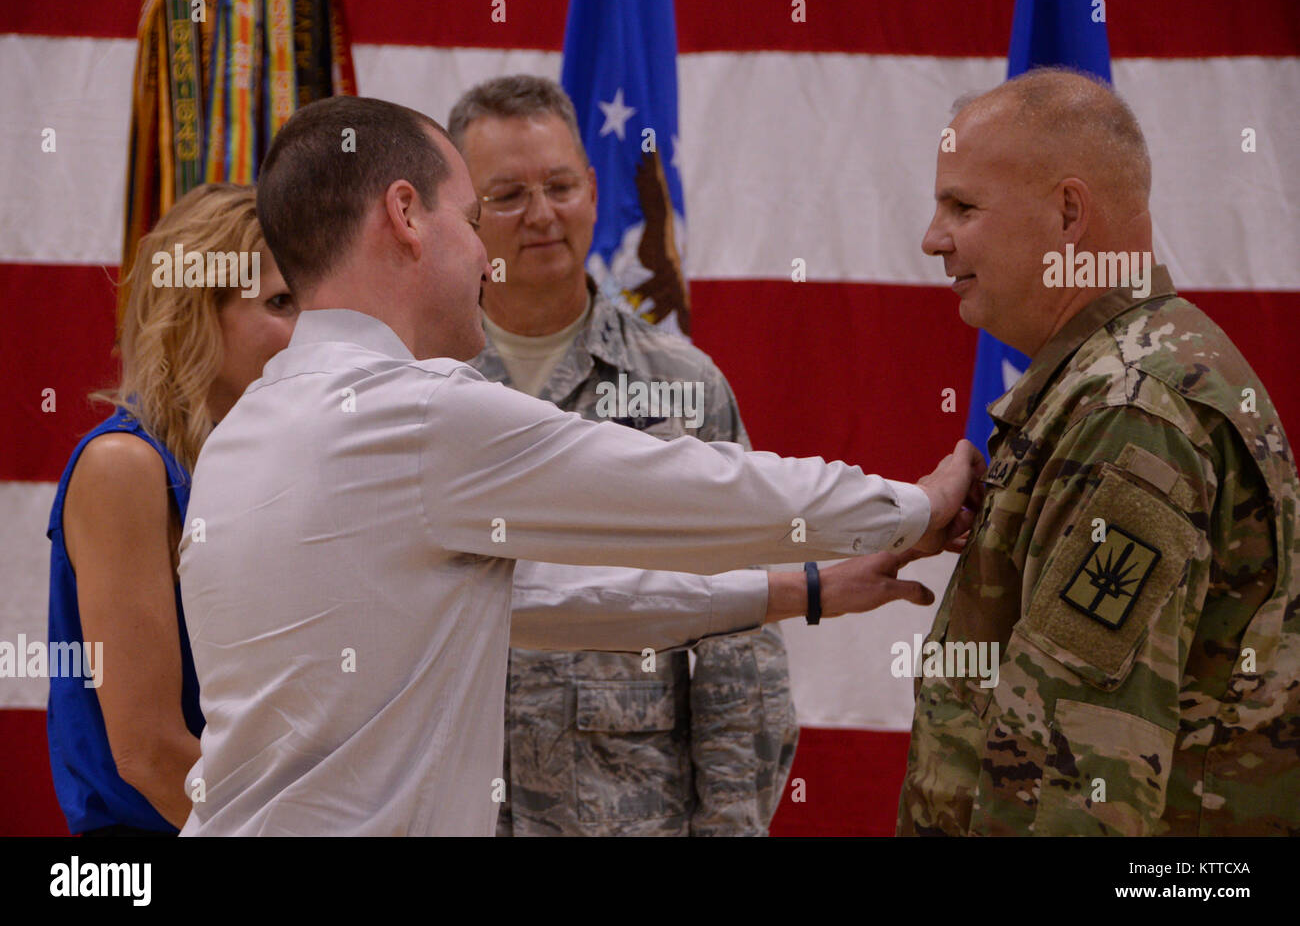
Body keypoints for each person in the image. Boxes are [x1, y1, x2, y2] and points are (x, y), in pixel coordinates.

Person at [178, 94, 982, 837]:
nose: (487, 258)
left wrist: (805, 588)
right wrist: (911, 506)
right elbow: (687, 490)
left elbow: (543, 599)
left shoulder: (246, 430)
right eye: (469, 216)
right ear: (404, 216)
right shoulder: (417, 415)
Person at [897, 67, 1299, 836]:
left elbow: (1075, 782)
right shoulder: (1114, 380)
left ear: (1069, 214)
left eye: (963, 206)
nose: (932, 238)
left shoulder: (1130, 410)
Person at [449, 75, 797, 836]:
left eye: (561, 186)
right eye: (508, 196)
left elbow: (740, 627)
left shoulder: (681, 384)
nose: (543, 215)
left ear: (595, 190)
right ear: (464, 216)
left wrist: (732, 823)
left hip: (635, 814)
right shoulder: (422, 389)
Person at [46, 183, 296, 835]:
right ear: (196, 312)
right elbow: (149, 752)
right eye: (280, 302)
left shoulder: (274, 464)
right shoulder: (125, 466)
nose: (310, 331)